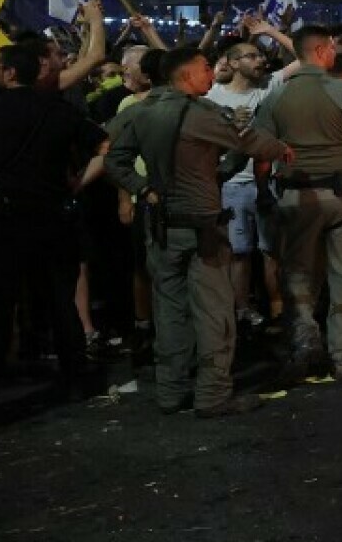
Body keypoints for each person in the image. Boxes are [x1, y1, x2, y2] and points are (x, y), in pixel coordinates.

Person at [104, 47, 293, 417]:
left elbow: (114, 158)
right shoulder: (200, 114)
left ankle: (171, 392)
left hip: (160, 226)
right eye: (206, 68)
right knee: (215, 315)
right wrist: (280, 149)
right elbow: (251, 143)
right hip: (202, 226)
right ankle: (213, 394)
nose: (213, 72)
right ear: (186, 76)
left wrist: (141, 187)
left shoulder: (139, 112)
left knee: (169, 312)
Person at [254, 26, 342, 382]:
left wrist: (265, 191)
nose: (335, 52)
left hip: (295, 198)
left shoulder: (275, 97)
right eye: (331, 47)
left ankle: (304, 346)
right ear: (320, 51)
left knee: (299, 278)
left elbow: (261, 151)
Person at [0, 43, 111, 418]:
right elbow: (107, 145)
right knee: (61, 301)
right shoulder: (60, 111)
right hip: (53, 218)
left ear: (11, 73)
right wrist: (77, 183)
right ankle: (74, 378)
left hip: (2, 222)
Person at [205, 40, 280, 330]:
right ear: (233, 63)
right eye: (251, 56)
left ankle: (277, 307)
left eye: (260, 55)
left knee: (272, 251)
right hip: (232, 185)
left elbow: (303, 57)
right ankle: (242, 310)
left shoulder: (269, 88)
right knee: (239, 253)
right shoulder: (212, 98)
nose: (260, 60)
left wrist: (272, 30)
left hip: (268, 183)